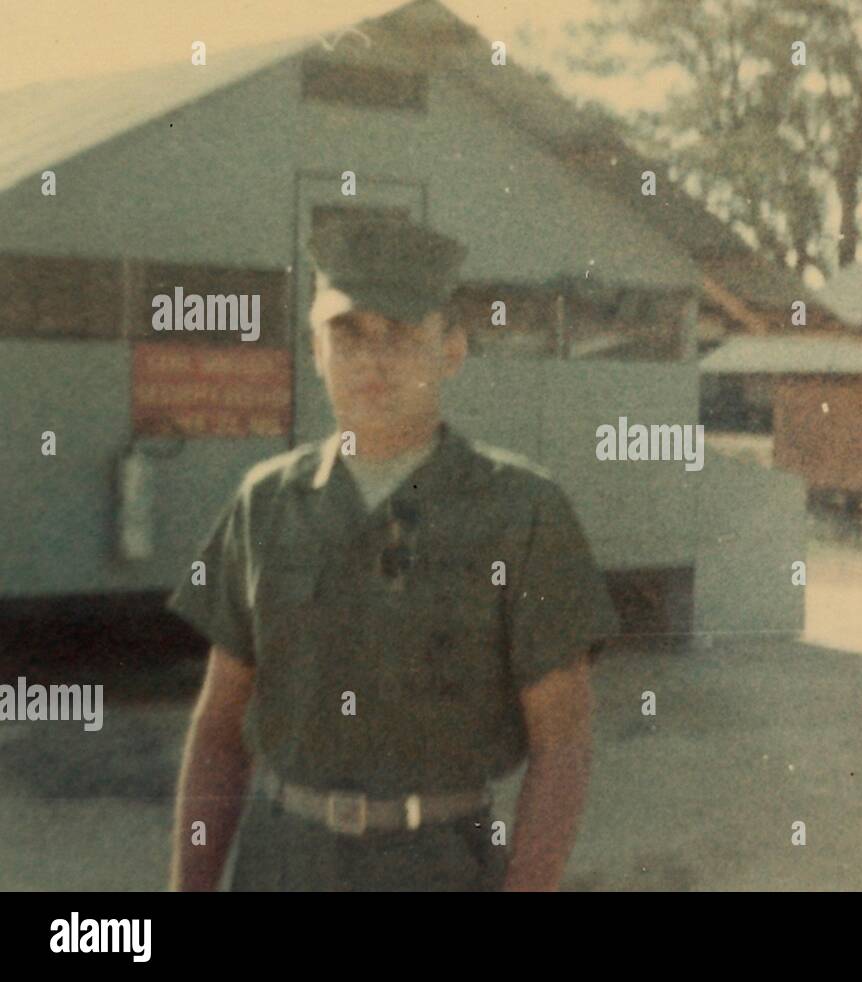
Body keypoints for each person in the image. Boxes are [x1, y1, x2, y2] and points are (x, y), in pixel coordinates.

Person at [166, 215, 619, 891]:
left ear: (451, 351)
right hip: (281, 863)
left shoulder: (521, 510)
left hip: (438, 865)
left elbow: (563, 746)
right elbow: (220, 728)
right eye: (348, 333)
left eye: (401, 334)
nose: (372, 360)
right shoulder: (267, 502)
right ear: (316, 349)